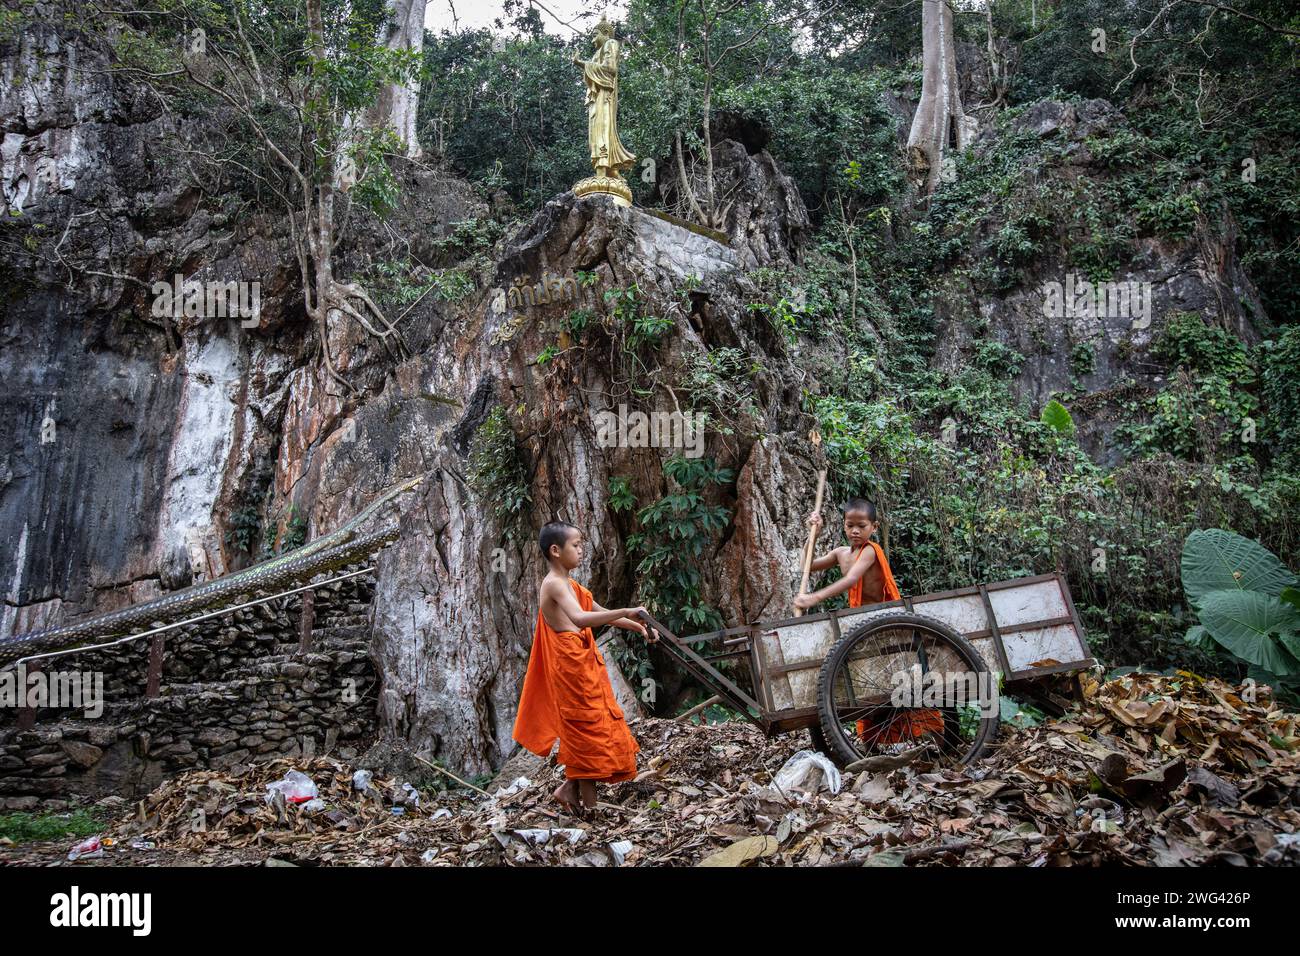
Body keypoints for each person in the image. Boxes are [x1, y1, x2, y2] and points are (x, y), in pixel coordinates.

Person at [512, 520, 650, 814]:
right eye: (576, 545)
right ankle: (591, 808)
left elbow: (599, 613)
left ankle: (574, 793)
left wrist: (636, 626)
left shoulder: (571, 584)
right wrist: (627, 610)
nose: (581, 550)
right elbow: (579, 618)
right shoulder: (553, 584)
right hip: (570, 670)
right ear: (555, 550)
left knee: (596, 728)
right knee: (585, 731)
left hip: (584, 667)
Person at [795, 499, 943, 745]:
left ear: (873, 527)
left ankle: (926, 735)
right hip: (860, 626)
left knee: (904, 679)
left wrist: (814, 597)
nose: (855, 531)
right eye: (850, 525)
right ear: (843, 525)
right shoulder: (841, 553)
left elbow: (852, 580)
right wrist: (813, 535)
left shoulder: (872, 550)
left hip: (885, 623)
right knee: (867, 685)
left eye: (861, 526)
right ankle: (875, 739)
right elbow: (805, 565)